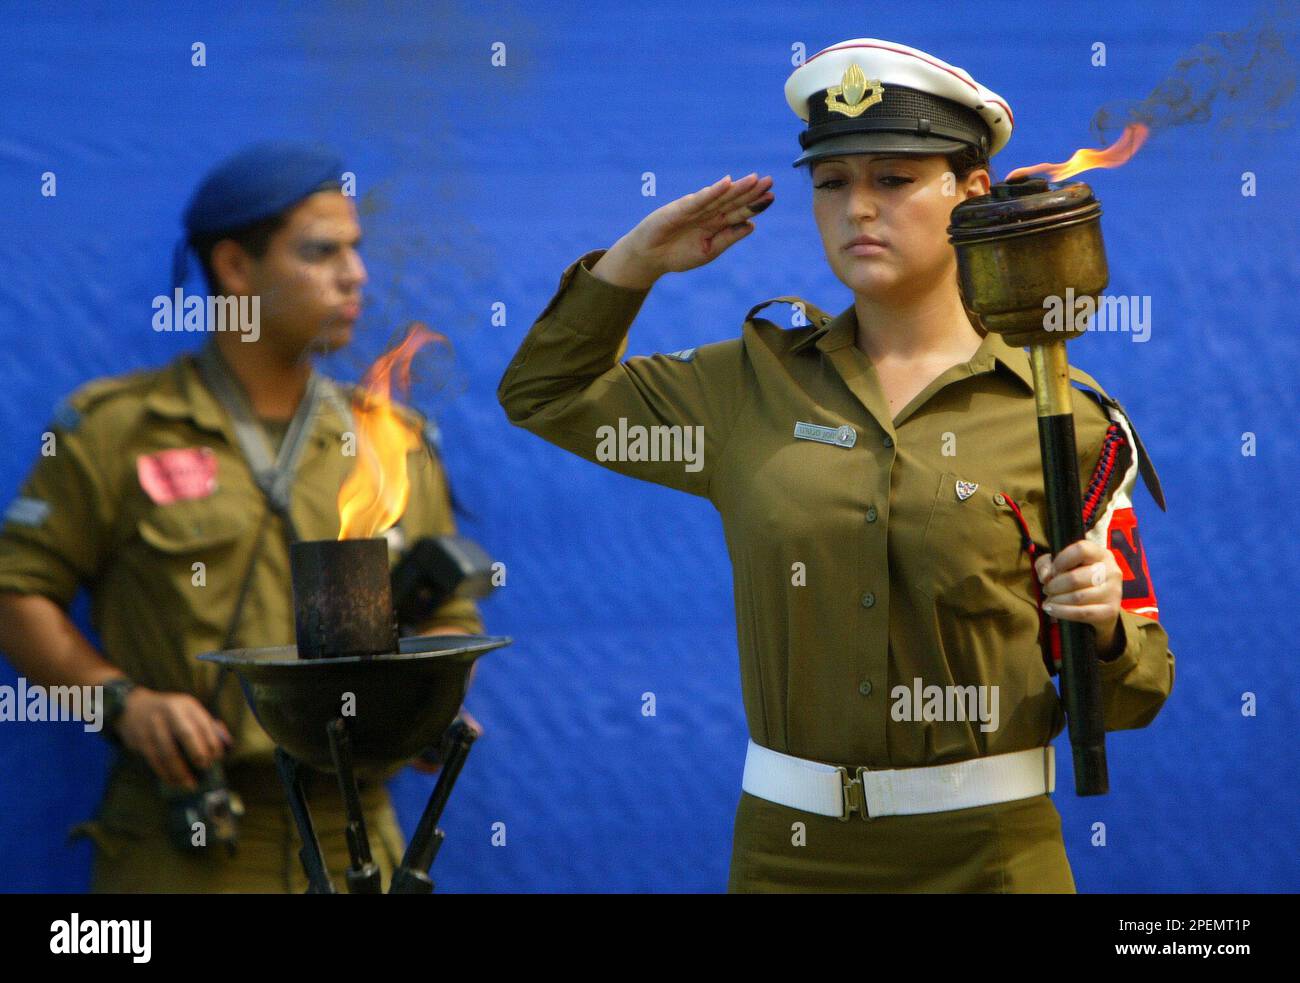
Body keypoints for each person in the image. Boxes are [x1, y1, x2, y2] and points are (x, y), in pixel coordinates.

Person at [497, 38, 1174, 892]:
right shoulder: (748, 385)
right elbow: (545, 393)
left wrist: (1106, 628)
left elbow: (1134, 694)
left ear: (971, 194)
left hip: (991, 857)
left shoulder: (1061, 416)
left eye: (893, 180)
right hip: (790, 857)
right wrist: (635, 264)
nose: (858, 208)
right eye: (832, 182)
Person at [0, 142, 484, 892]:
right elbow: (16, 593)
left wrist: (427, 699)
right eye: (321, 252)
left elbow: (450, 606)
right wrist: (119, 701)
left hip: (357, 838)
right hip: (187, 840)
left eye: (356, 250)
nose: (355, 275)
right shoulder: (118, 429)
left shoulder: (388, 437)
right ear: (234, 269)